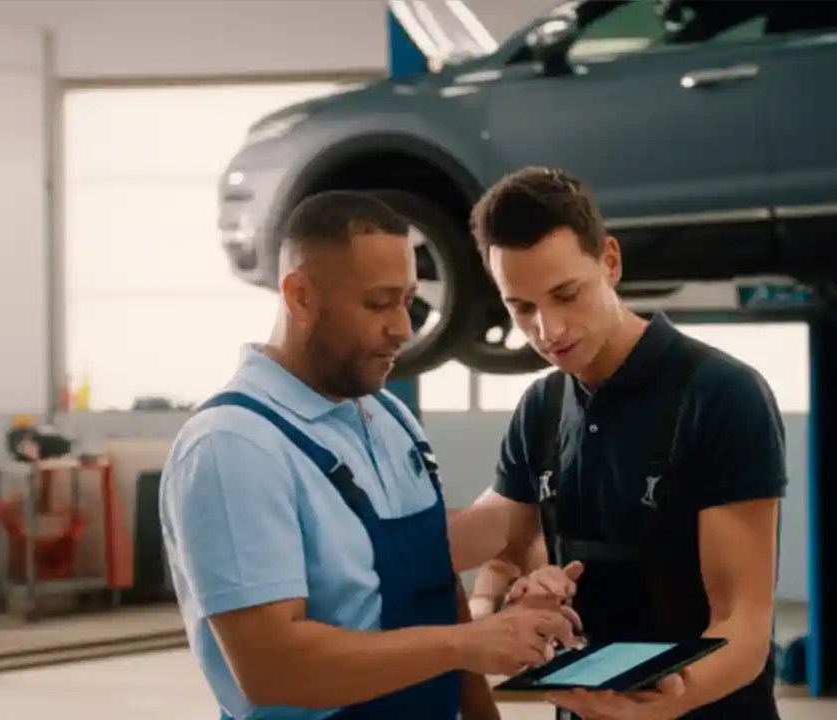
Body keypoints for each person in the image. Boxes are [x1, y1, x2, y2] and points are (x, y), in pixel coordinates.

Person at [158, 190, 577, 720]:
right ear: (301, 295)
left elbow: (435, 585)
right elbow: (272, 667)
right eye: (378, 303)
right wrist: (467, 644)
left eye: (406, 299)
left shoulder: (387, 417)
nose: (403, 327)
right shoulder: (233, 446)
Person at [466, 167, 787, 720]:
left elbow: (744, 626)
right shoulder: (540, 411)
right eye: (522, 308)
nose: (548, 329)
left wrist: (655, 707)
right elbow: (493, 561)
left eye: (566, 294)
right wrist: (515, 603)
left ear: (610, 262)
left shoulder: (722, 396)